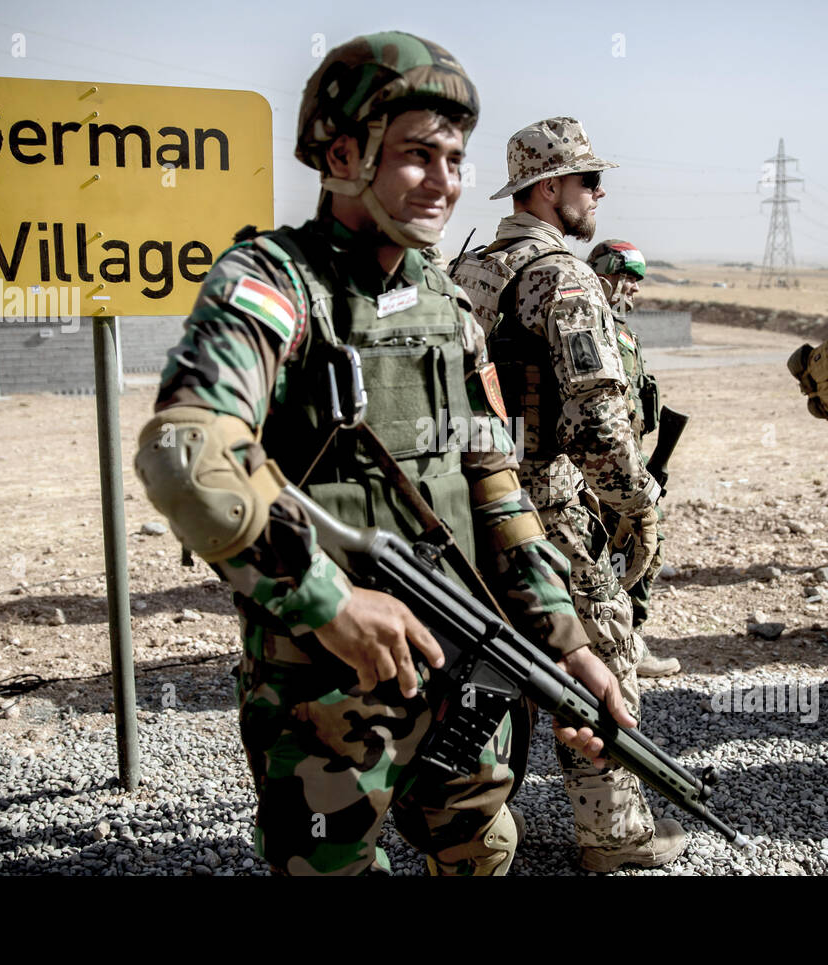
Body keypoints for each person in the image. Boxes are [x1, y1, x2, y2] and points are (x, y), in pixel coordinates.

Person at [134, 33, 633, 875]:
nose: (444, 180)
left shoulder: (446, 299)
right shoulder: (273, 283)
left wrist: (568, 642)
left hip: (465, 677)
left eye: (455, 157)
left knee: (485, 850)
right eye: (417, 155)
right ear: (342, 152)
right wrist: (330, 600)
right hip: (324, 697)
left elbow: (494, 487)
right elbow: (186, 452)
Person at [452, 117, 686, 871]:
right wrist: (636, 503)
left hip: (469, 503)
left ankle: (469, 824)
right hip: (545, 506)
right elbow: (594, 418)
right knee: (600, 655)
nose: (599, 192)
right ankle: (613, 836)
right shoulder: (563, 276)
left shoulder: (466, 268)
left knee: (491, 662)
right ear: (548, 189)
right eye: (588, 181)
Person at [585, 239, 679, 677]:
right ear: (604, 278)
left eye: (637, 281)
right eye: (628, 279)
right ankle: (617, 648)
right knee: (619, 556)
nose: (634, 289)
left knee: (641, 553)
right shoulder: (591, 327)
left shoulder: (621, 332)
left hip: (627, 463)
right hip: (600, 471)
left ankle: (626, 641)